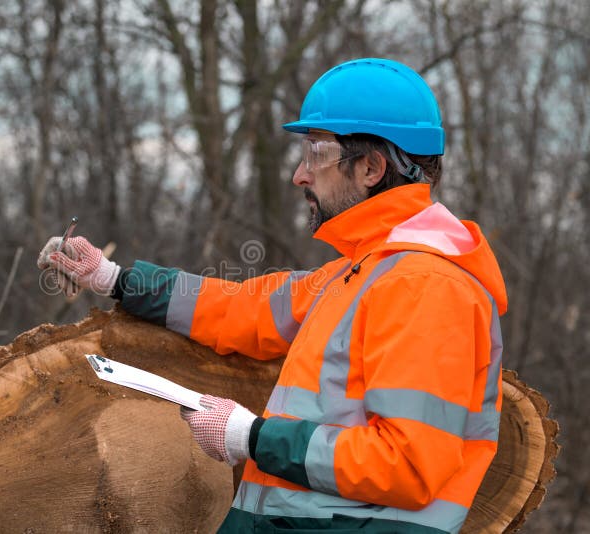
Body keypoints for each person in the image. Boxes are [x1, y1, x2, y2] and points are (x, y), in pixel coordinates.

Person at [37, 58, 506, 533]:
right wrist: (113, 277)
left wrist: (253, 437)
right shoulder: (358, 274)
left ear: (370, 167)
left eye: (317, 153)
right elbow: (240, 309)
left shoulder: (425, 287)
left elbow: (406, 464)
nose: (300, 175)